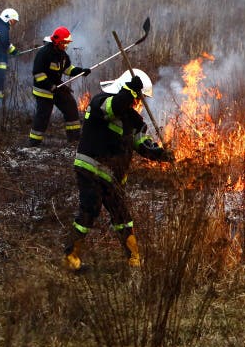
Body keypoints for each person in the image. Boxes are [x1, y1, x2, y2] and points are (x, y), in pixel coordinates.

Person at [64, 69, 174, 270]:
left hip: (112, 179)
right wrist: (128, 91)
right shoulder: (101, 101)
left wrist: (161, 154)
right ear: (127, 91)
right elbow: (113, 108)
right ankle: (71, 256)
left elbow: (142, 143)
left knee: (123, 217)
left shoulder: (134, 119)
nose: (137, 103)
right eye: (136, 97)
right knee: (90, 208)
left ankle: (134, 260)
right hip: (90, 168)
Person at [28, 26, 91, 147]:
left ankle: (74, 138)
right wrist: (50, 86)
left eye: (67, 43)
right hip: (43, 90)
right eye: (65, 43)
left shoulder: (62, 55)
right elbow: (38, 74)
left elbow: (67, 69)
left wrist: (81, 71)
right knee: (43, 115)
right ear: (58, 41)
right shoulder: (44, 53)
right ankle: (34, 142)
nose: (66, 45)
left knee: (71, 107)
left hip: (57, 87)